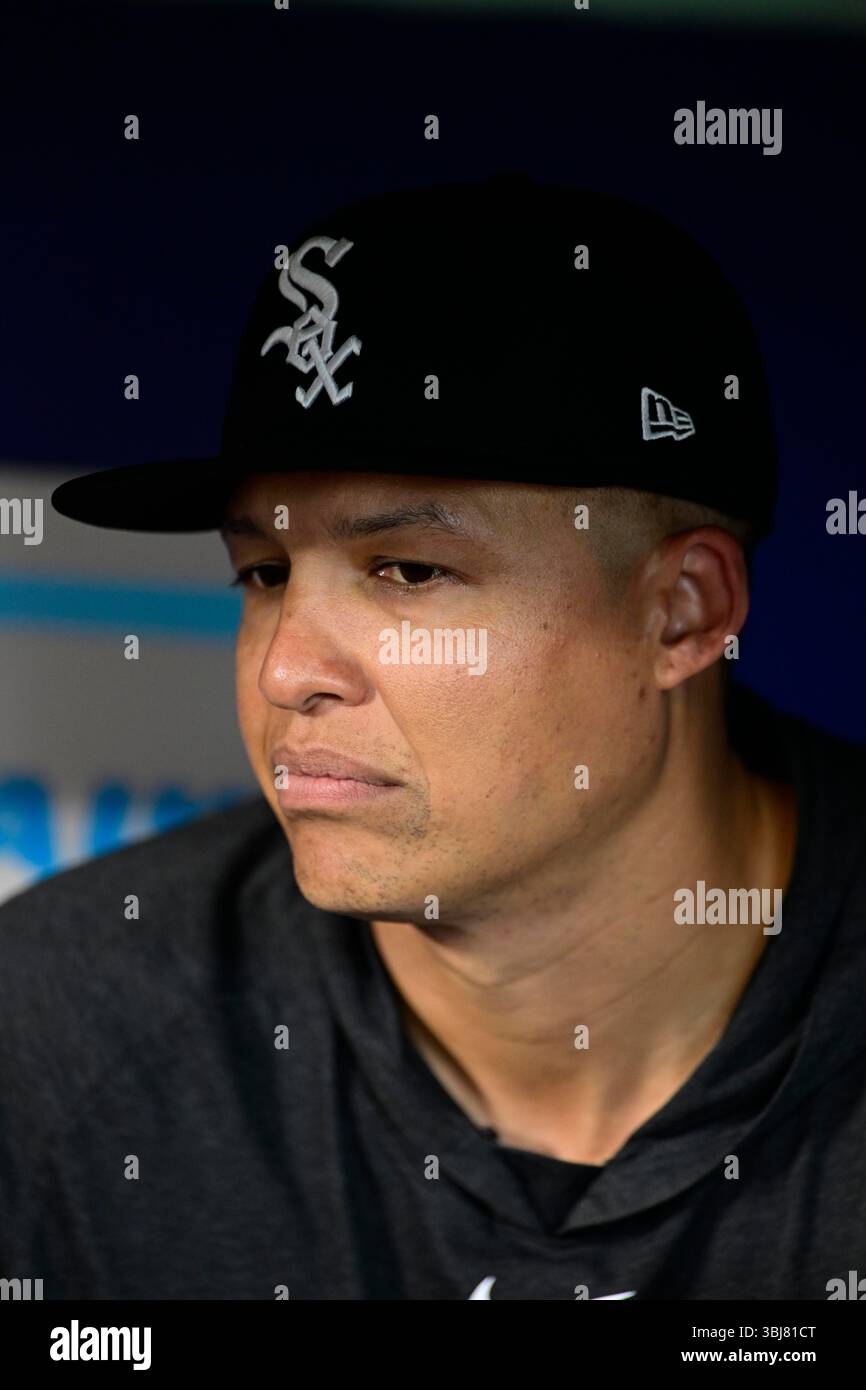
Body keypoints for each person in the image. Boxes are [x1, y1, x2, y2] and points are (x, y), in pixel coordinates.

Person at [2, 172, 864, 1301]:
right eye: (262, 573)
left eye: (407, 571)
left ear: (681, 613)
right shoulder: (62, 1026)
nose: (283, 670)